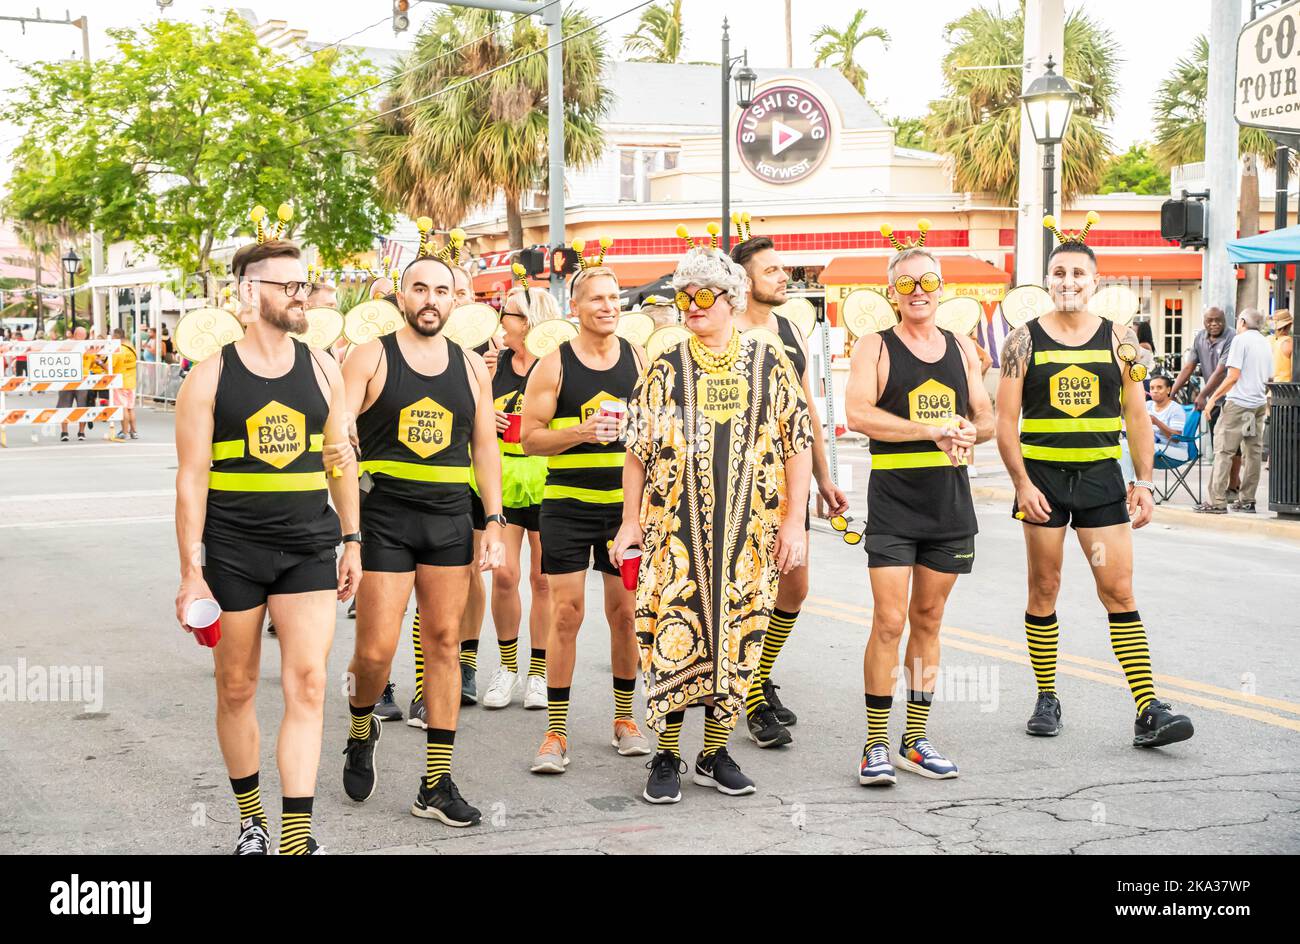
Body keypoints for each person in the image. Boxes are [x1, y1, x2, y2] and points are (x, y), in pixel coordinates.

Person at [173, 236, 360, 855]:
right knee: (237, 687)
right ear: (250, 292)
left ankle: (297, 839)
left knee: (308, 683)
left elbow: (340, 460)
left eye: (303, 285)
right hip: (231, 551)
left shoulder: (324, 366)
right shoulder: (210, 376)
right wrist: (190, 572)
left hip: (308, 544)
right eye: (288, 286)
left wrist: (352, 539)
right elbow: (191, 480)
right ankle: (252, 821)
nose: (300, 296)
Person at [613, 239, 812, 804]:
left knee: (738, 636)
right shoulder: (665, 365)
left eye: (703, 294)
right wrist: (629, 524)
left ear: (732, 298)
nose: (691, 305)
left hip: (751, 533)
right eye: (684, 296)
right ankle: (668, 754)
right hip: (674, 531)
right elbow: (637, 448)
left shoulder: (769, 358)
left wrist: (794, 524)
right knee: (675, 633)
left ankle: (714, 751)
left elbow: (797, 443)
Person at [996, 217, 1194, 749]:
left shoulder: (1119, 339)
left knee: (1118, 588)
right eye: (1059, 272)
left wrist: (1145, 482)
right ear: (1047, 279)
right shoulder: (1022, 340)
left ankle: (1148, 709)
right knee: (1044, 588)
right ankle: (1046, 696)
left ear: (1095, 281)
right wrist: (1021, 484)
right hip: (1041, 478)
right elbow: (1003, 423)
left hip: (1101, 479)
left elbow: (1134, 416)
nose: (1068, 281)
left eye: (1078, 273)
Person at [339, 245, 504, 828]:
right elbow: (339, 435)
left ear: (456, 300)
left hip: (450, 521)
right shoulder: (370, 357)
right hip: (385, 519)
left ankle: (435, 783)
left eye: (442, 291)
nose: (430, 301)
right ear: (401, 296)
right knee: (376, 652)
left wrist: (493, 519)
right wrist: (350, 531)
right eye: (420, 289)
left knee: (443, 644)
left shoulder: (469, 367)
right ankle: (362, 725)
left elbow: (485, 446)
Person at [844, 242, 993, 785]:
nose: (918, 292)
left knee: (928, 620)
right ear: (892, 293)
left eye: (926, 281)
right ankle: (875, 745)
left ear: (941, 286)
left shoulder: (961, 348)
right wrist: (928, 430)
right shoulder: (874, 347)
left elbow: (988, 417)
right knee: (889, 620)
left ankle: (916, 738)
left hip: (949, 505)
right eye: (906, 284)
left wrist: (969, 430)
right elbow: (858, 414)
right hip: (893, 503)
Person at [521, 258, 651, 773]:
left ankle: (624, 720)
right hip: (568, 507)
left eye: (614, 297)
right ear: (574, 307)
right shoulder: (554, 364)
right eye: (597, 298)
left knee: (625, 616)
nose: (608, 306)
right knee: (567, 614)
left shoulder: (639, 358)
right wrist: (580, 431)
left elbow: (659, 424)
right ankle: (555, 733)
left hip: (623, 512)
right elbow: (529, 439)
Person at [730, 223, 848, 747]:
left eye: (782, 267)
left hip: (789, 479)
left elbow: (807, 412)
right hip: (733, 482)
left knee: (793, 586)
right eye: (772, 269)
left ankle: (755, 678)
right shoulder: (724, 330)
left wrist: (825, 477)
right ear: (743, 279)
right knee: (743, 593)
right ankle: (751, 702)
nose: (783, 276)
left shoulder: (790, 331)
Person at [480, 271, 555, 710]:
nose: (499, 322)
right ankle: (507, 666)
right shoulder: (493, 363)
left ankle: (539, 673)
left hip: (547, 476)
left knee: (543, 579)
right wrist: (483, 392)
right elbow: (473, 417)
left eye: (505, 314)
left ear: (526, 321)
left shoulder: (555, 365)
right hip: (503, 476)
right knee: (504, 574)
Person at [1199, 308, 1273, 514]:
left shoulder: (1240, 341)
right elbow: (1270, 379)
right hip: (1257, 404)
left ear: (1242, 321)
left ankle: (1217, 501)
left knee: (1223, 450)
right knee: (1253, 452)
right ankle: (1247, 499)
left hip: (1238, 404)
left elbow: (1233, 376)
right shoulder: (1265, 343)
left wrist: (1212, 399)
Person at [1172, 307, 1240, 500]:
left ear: (1224, 320)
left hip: (1232, 397)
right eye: (1210, 320)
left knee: (1232, 446)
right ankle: (1231, 484)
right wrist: (1172, 392)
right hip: (1214, 402)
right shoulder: (1200, 338)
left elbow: (1220, 372)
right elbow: (1188, 366)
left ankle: (1233, 486)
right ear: (1204, 321)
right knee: (1219, 444)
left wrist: (1202, 395)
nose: (1214, 324)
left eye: (1218, 320)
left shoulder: (1232, 337)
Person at [58, 326, 92, 442]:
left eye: (84, 335)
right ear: (74, 335)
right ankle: (64, 432)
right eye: (80, 335)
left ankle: (81, 432)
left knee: (82, 406)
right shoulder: (67, 344)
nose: (82, 337)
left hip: (83, 380)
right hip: (67, 379)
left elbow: (94, 361)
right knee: (64, 406)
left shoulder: (88, 346)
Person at [1146, 375, 1188, 463]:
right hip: (1155, 447)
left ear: (1168, 390)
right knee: (1124, 445)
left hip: (1175, 451)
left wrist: (1157, 422)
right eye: (1152, 388)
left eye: (1159, 387)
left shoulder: (1175, 409)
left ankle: (1139, 476)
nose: (1155, 391)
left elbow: (1176, 439)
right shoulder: (1147, 405)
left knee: (1141, 448)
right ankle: (1131, 477)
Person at [109, 328, 139, 441]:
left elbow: (109, 367)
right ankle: (134, 431)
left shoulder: (118, 350)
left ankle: (124, 431)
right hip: (131, 381)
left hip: (120, 382)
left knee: (123, 408)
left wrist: (101, 363)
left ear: (116, 337)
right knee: (131, 408)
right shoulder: (131, 348)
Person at [1272, 309, 1293, 384]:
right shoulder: (1290, 343)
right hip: (1287, 390)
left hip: (1273, 390)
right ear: (1290, 325)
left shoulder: (1270, 341)